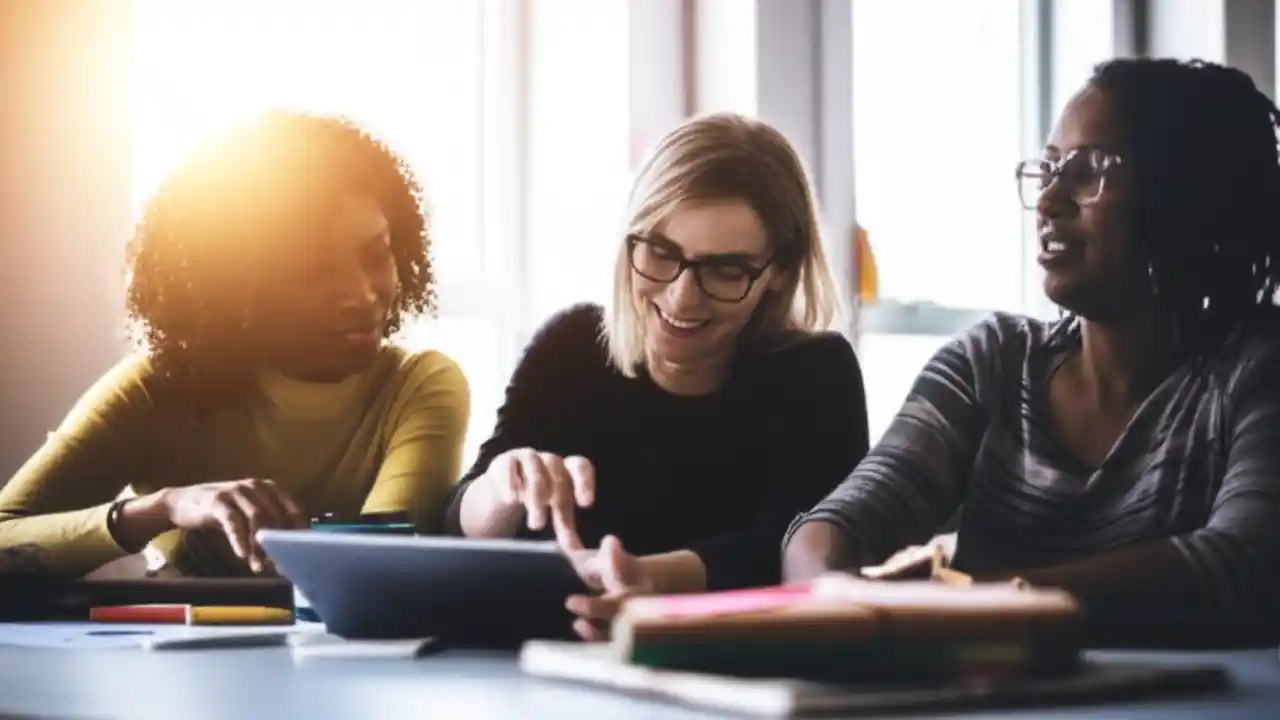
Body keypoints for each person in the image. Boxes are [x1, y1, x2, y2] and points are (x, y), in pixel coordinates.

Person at [783, 58, 1280, 612]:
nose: (1047, 202)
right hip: (993, 697)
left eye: (1088, 170)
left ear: (1183, 191)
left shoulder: (1255, 369)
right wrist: (828, 589)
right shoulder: (994, 362)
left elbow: (1246, 559)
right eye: (1047, 171)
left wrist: (981, 598)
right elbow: (833, 527)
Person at [444, 113, 869, 639]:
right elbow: (456, 522)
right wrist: (502, 490)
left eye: (726, 270)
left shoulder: (815, 373)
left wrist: (651, 581)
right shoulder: (572, 347)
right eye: (661, 254)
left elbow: (806, 549)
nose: (681, 296)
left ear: (779, 272)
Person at [0, 112, 469, 578]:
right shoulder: (155, 389)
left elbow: (376, 565)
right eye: (314, 270)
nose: (363, 295)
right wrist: (165, 507)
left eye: (376, 255)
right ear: (232, 285)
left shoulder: (417, 386)